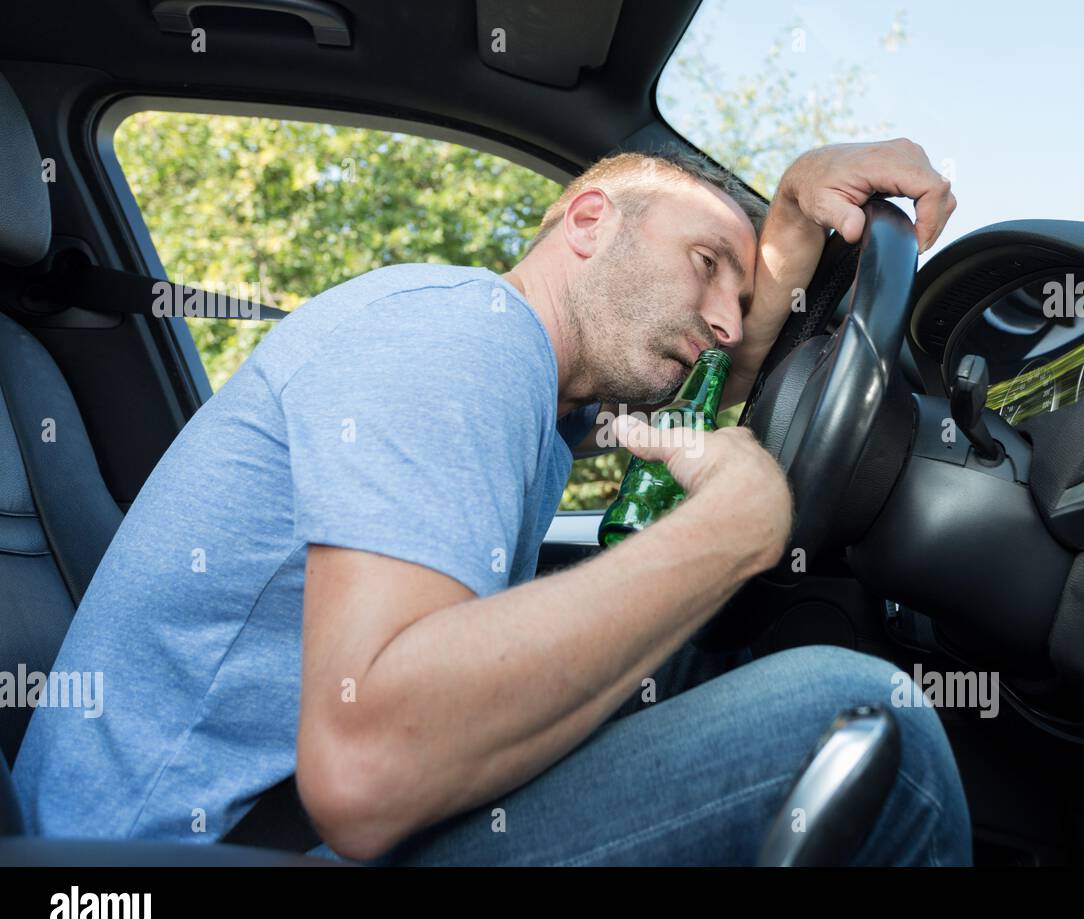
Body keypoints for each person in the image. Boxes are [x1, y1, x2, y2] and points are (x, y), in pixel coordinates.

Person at [14, 138, 969, 865]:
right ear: (589, 221)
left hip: (240, 834)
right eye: (706, 263)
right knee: (866, 718)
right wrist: (730, 533)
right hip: (166, 861)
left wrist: (794, 223)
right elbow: (366, 768)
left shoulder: (530, 393)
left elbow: (737, 368)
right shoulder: (463, 338)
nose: (724, 320)